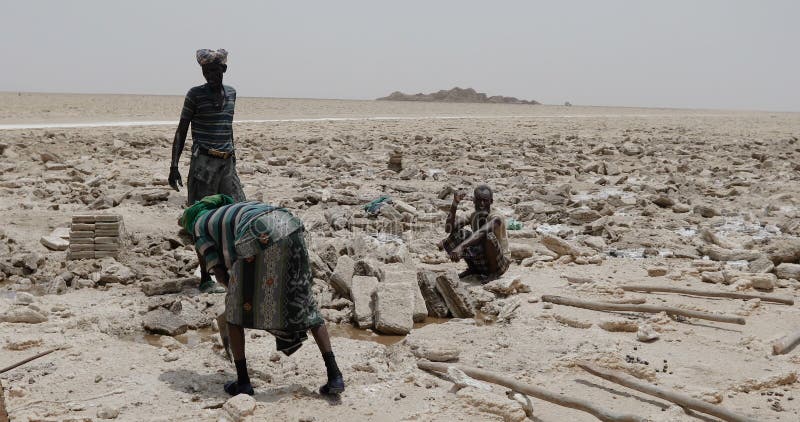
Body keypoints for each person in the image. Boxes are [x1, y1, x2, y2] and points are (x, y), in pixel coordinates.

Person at [179, 195, 345, 396]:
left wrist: (238, 297)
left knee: (233, 315)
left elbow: (221, 273)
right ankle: (334, 374)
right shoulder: (233, 210)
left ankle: (243, 382)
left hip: (258, 235)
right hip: (290, 225)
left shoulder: (198, 225)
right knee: (305, 303)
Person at [169, 48, 246, 293]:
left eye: (214, 70)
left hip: (227, 163)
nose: (210, 75)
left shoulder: (232, 94)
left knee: (234, 214)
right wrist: (174, 165)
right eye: (206, 70)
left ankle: (229, 270)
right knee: (201, 217)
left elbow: (228, 127)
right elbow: (182, 130)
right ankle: (205, 278)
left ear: (224, 69)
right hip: (203, 164)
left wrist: (233, 157)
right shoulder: (195, 95)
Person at [439, 185, 510, 281]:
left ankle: (493, 273)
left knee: (488, 236)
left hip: (500, 264)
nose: (481, 204)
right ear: (474, 201)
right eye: (479, 200)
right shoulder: (473, 215)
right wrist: (455, 203)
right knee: (458, 234)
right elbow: (449, 229)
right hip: (482, 261)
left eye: (485, 201)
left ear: (491, 201)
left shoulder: (496, 217)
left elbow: (482, 232)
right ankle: (473, 269)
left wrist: (460, 247)